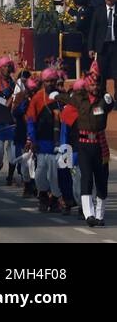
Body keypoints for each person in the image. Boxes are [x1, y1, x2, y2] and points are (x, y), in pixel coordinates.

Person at [60, 66, 113, 226]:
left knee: (101, 182)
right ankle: (88, 214)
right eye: (92, 84)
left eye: (97, 84)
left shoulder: (104, 100)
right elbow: (67, 99)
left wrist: (110, 99)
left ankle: (99, 215)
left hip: (99, 146)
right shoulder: (79, 99)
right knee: (86, 179)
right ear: (86, 86)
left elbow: (110, 104)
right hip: (84, 146)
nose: (94, 87)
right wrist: (55, 94)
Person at [26, 69, 68, 213]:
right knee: (40, 173)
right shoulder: (38, 98)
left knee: (56, 174)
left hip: (60, 143)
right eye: (47, 81)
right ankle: (43, 195)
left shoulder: (63, 97)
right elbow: (31, 120)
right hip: (42, 142)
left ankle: (56, 199)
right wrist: (33, 139)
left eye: (52, 81)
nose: (50, 83)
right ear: (43, 82)